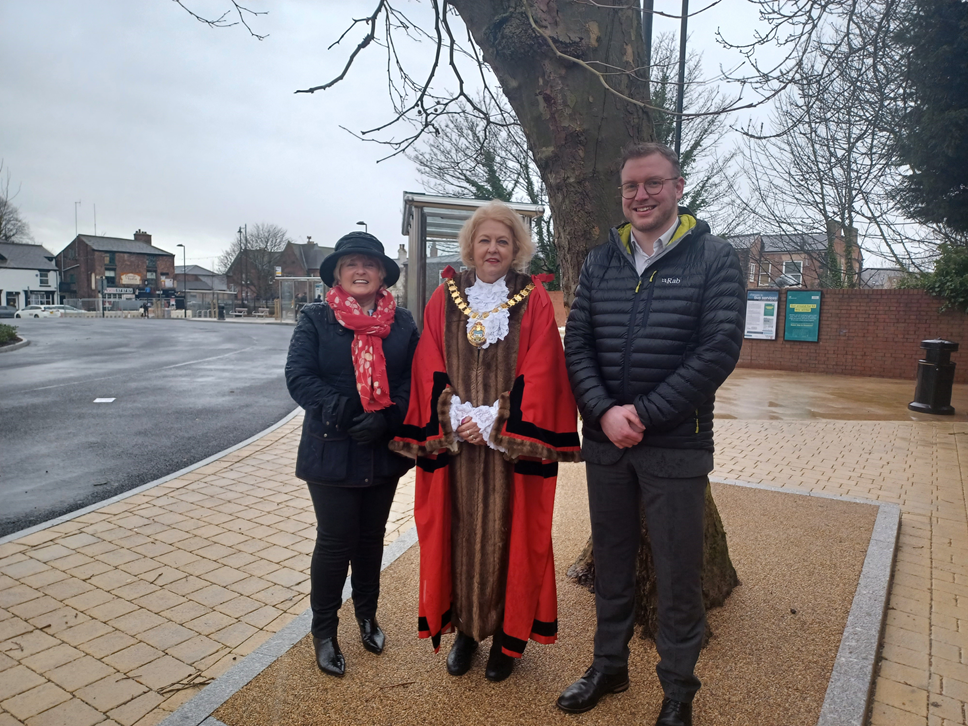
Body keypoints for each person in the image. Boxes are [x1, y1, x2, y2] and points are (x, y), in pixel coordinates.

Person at [559, 142, 746, 726]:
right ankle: (609, 667)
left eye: (653, 184)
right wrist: (605, 412)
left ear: (678, 186)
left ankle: (678, 691)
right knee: (612, 563)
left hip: (677, 445)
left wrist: (642, 413)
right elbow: (579, 344)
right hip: (607, 443)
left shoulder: (715, 258)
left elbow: (718, 350)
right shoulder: (599, 260)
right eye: (631, 187)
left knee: (677, 571)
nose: (641, 196)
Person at [391, 200, 580, 682]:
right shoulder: (445, 297)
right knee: (455, 536)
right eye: (484, 240)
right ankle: (467, 633)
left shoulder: (533, 298)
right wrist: (453, 414)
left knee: (510, 539)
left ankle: (505, 639)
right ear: (470, 247)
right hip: (457, 448)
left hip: (508, 449)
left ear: (516, 248)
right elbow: (428, 359)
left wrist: (497, 419)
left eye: (502, 240)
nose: (492, 248)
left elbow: (542, 367)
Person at [285, 231, 418, 678]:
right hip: (331, 448)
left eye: (369, 264)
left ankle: (367, 615)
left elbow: (413, 380)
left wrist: (389, 416)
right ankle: (324, 630)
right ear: (339, 274)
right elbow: (300, 376)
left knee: (370, 539)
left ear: (382, 274)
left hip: (381, 450)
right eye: (350, 264)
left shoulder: (403, 323)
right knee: (335, 541)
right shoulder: (316, 318)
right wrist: (345, 411)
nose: (360, 270)